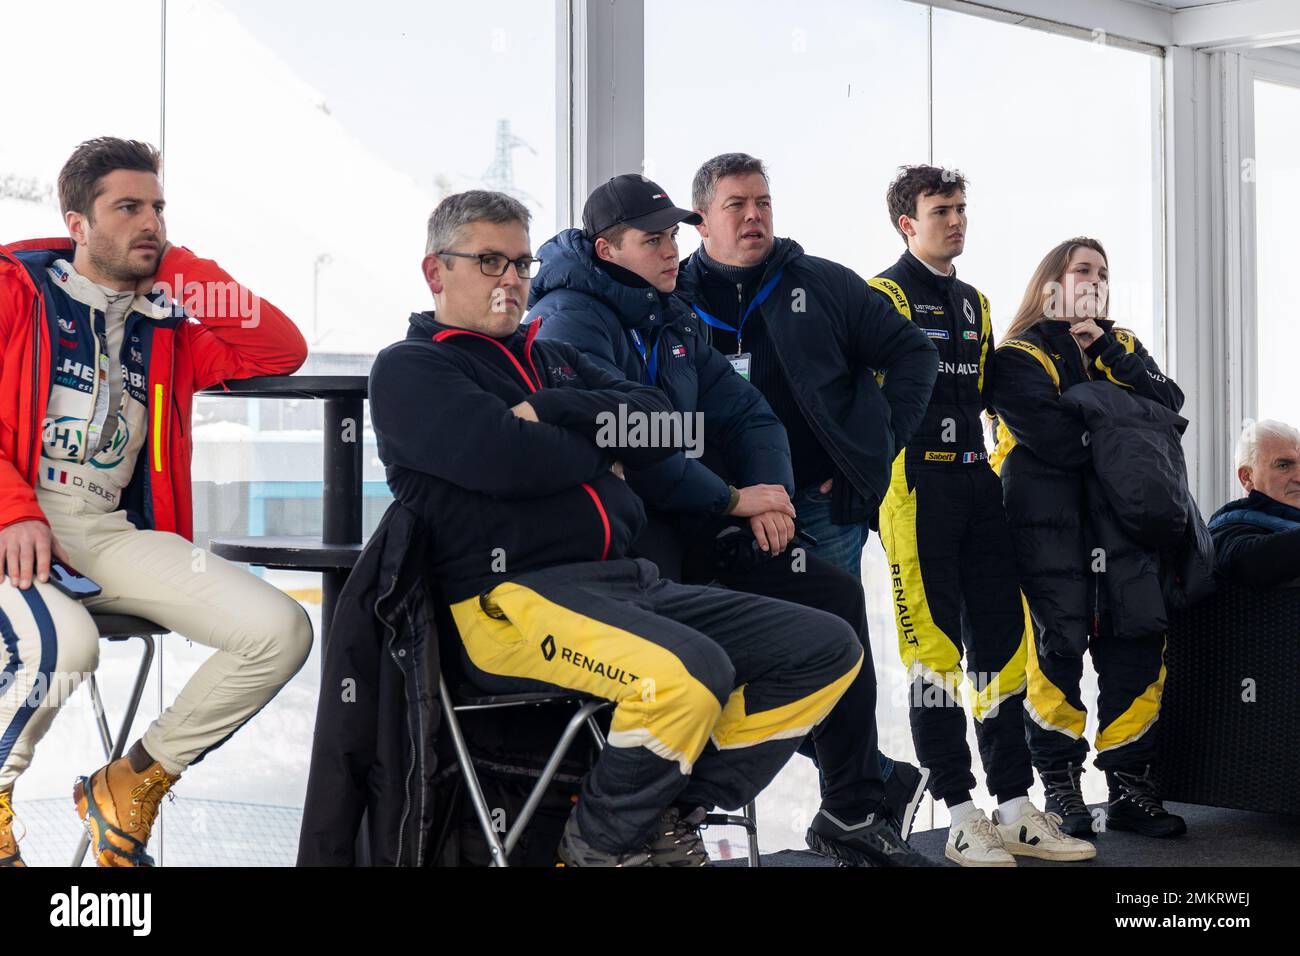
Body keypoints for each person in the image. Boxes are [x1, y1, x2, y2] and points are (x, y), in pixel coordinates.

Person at [368, 189, 864, 867]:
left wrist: (550, 409)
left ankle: (661, 808)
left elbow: (658, 422)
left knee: (826, 649)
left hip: (626, 584)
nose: (512, 279)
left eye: (519, 263)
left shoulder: (549, 360)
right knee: (689, 676)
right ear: (436, 272)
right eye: (489, 262)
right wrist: (601, 449)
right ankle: (597, 847)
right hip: (509, 600)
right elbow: (509, 459)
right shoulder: (411, 368)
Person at [527, 173, 931, 866]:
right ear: (607, 247)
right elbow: (630, 439)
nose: (670, 250)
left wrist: (767, 488)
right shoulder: (572, 318)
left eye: (673, 236)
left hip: (695, 522)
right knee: (713, 650)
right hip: (625, 545)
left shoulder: (670, 314)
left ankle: (850, 804)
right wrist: (729, 500)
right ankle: (654, 808)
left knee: (830, 598)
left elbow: (748, 412)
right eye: (653, 239)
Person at [0, 137, 311, 868]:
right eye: (129, 208)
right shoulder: (14, 292)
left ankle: (130, 782)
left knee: (280, 630)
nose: (151, 222)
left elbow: (280, 349)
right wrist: (13, 508)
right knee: (64, 645)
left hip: (104, 531)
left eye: (159, 208)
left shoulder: (167, 329)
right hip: (13, 517)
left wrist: (177, 268)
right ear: (77, 223)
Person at [869, 166, 1093, 866]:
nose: (957, 221)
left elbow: (996, 399)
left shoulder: (976, 302)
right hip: (915, 496)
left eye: (962, 209)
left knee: (1001, 650)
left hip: (979, 488)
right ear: (907, 223)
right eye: (942, 211)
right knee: (935, 661)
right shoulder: (880, 296)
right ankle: (961, 814)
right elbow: (864, 402)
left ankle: (1016, 804)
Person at [987, 236, 1191, 839]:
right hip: (1047, 534)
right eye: (1082, 269)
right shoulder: (1019, 354)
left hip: (1128, 535)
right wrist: (1126, 425)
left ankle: (1130, 793)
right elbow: (1053, 442)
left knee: (1137, 650)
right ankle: (1062, 792)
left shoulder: (1122, 346)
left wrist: (1105, 361)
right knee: (1055, 658)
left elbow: (1172, 405)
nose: (1095, 279)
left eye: (1103, 271)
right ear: (1051, 280)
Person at [676, 153, 939, 580]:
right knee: (727, 643)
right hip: (716, 507)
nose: (753, 215)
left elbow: (916, 353)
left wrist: (874, 450)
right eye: (736, 204)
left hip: (817, 506)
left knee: (833, 641)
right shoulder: (674, 300)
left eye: (763, 203)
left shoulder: (823, 285)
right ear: (701, 222)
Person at [1209, 420, 1300, 585]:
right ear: (1247, 477)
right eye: (1284, 465)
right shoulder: (1230, 525)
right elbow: (1245, 562)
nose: (1299, 477)